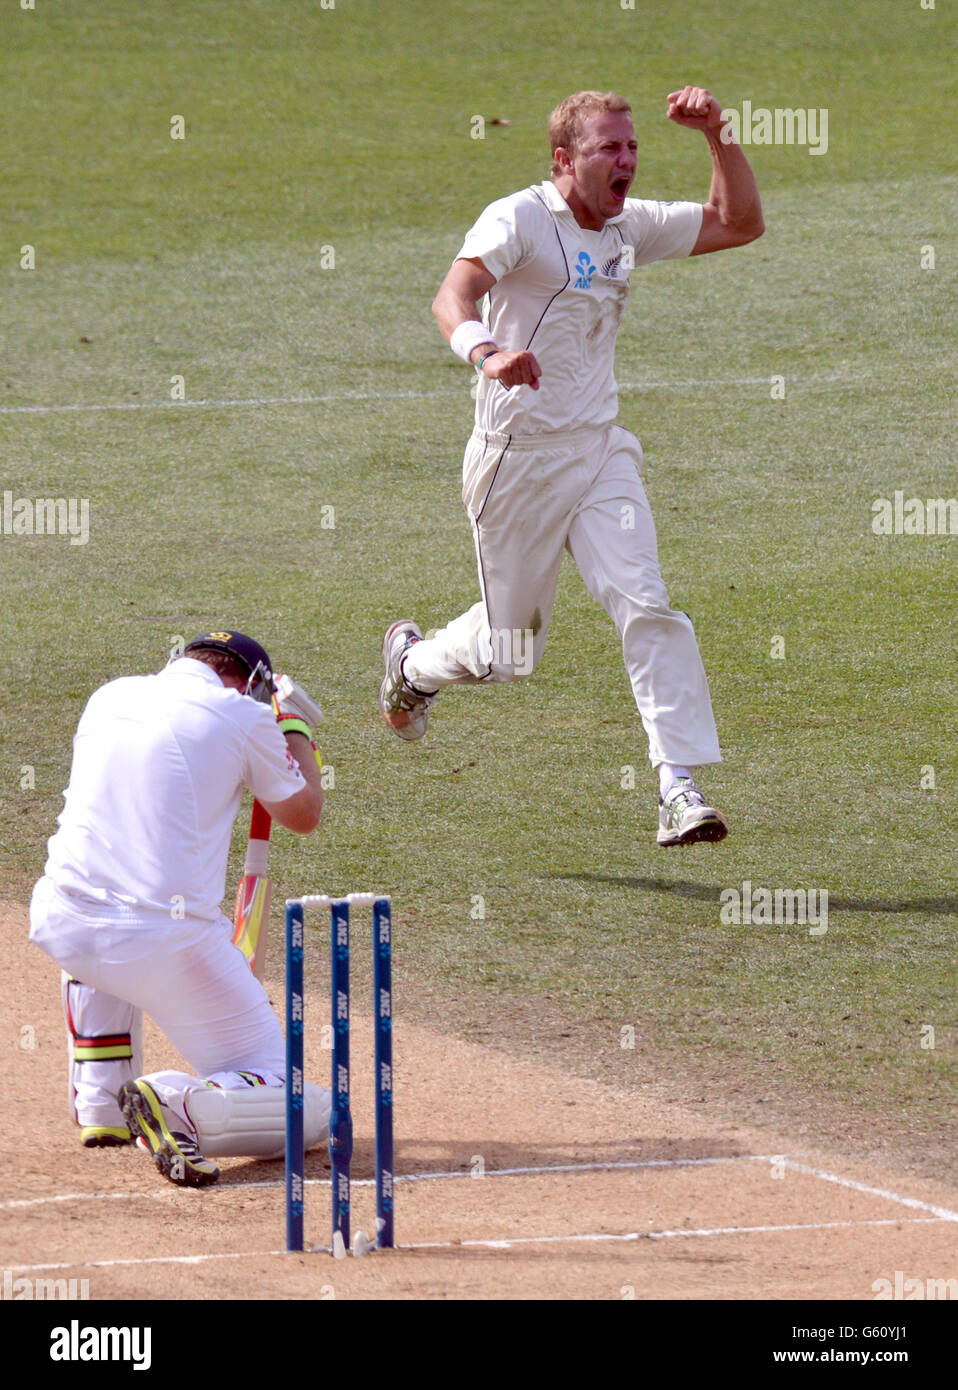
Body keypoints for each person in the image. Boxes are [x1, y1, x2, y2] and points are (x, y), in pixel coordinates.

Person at [380, 86, 764, 847]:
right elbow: (452, 297)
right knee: (510, 656)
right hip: (515, 464)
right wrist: (487, 353)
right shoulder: (518, 217)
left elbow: (738, 223)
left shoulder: (630, 226)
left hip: (598, 454)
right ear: (564, 160)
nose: (624, 161)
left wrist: (718, 133)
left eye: (631, 148)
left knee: (647, 602)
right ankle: (414, 665)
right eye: (606, 150)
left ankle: (679, 787)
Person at [29, 631, 329, 1187]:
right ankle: (175, 1101)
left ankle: (101, 1104)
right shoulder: (244, 716)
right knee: (297, 1096)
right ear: (249, 685)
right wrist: (297, 732)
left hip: (62, 916)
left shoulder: (110, 695)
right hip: (163, 942)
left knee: (105, 915)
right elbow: (304, 812)